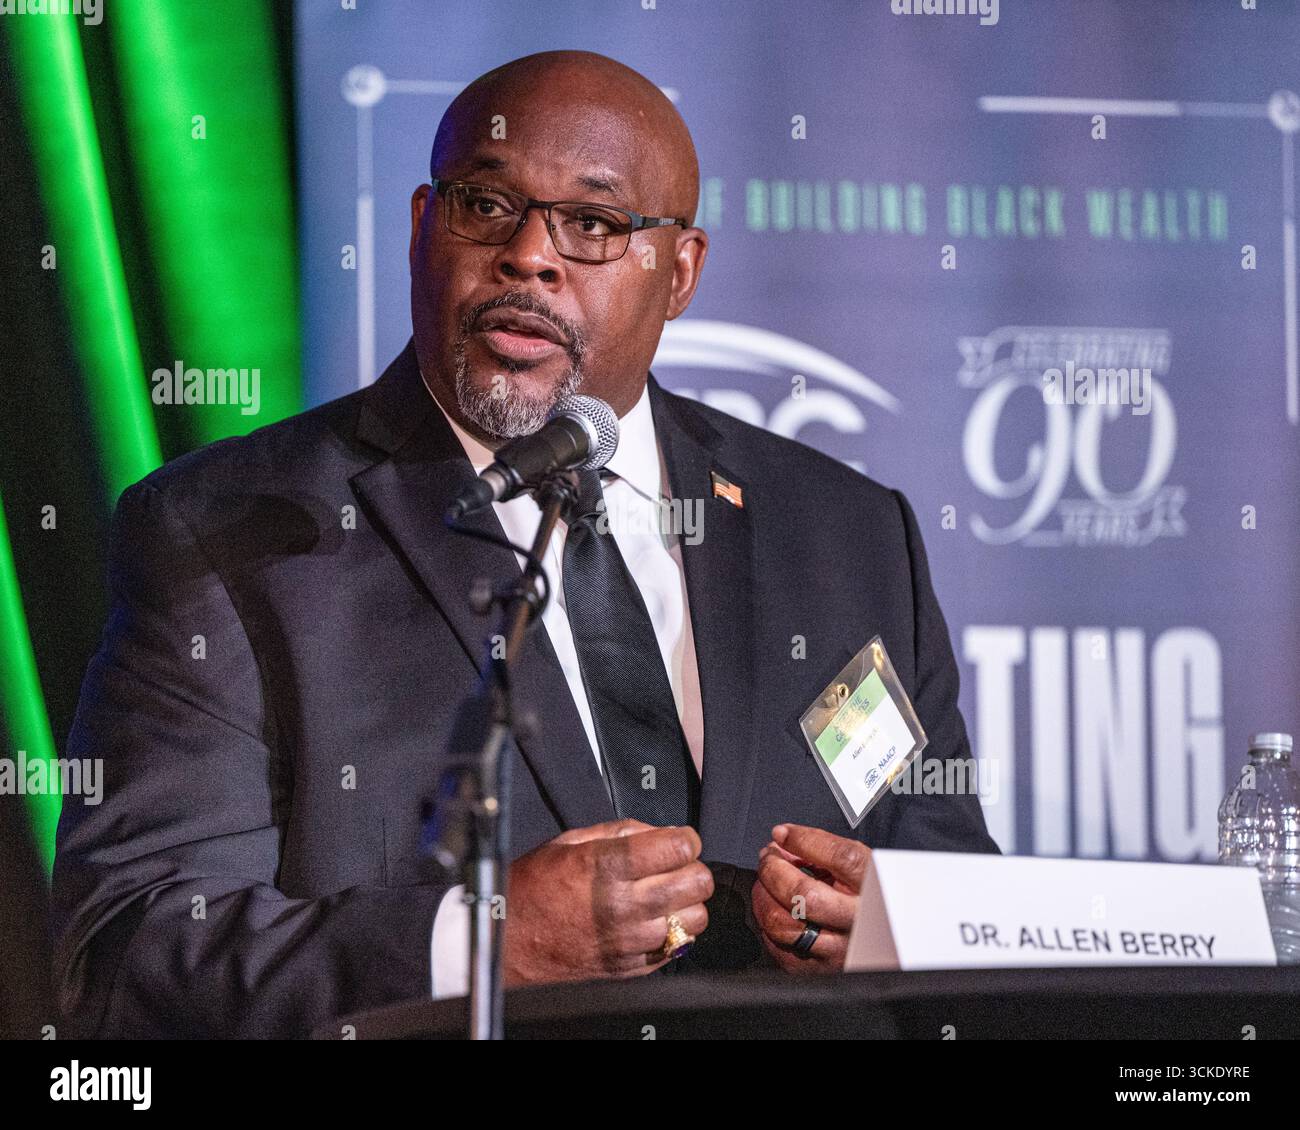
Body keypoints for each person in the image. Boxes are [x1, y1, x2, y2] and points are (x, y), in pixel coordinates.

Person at [51, 50, 997, 1038]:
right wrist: (479, 944)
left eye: (593, 223)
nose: (530, 256)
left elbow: (956, 898)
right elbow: (126, 953)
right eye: (486, 207)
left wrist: (890, 929)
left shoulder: (846, 533)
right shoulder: (234, 530)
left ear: (678, 272)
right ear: (422, 229)